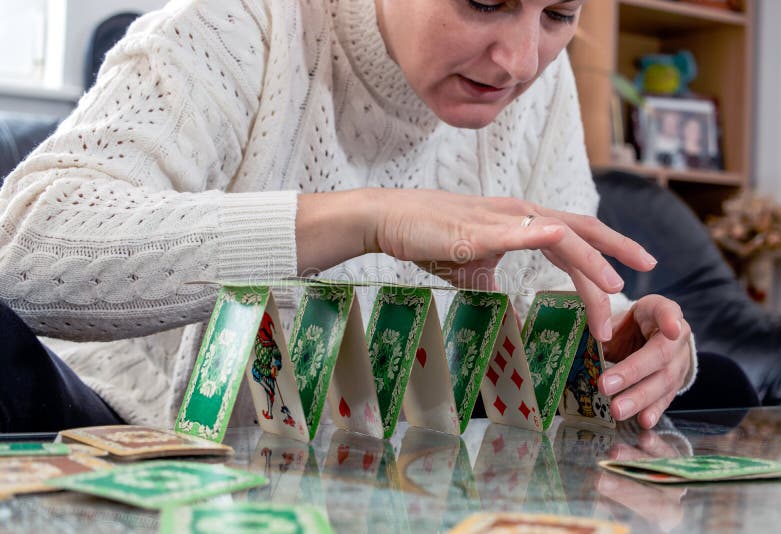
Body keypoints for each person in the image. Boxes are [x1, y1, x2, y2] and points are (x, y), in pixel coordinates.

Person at [0, 0, 695, 433]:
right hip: (130, 423)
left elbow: (544, 300)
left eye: (560, 14)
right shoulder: (235, 22)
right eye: (485, 2)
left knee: (717, 377)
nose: (519, 61)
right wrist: (369, 218)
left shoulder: (543, 84)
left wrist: (624, 348)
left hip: (382, 456)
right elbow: (21, 252)